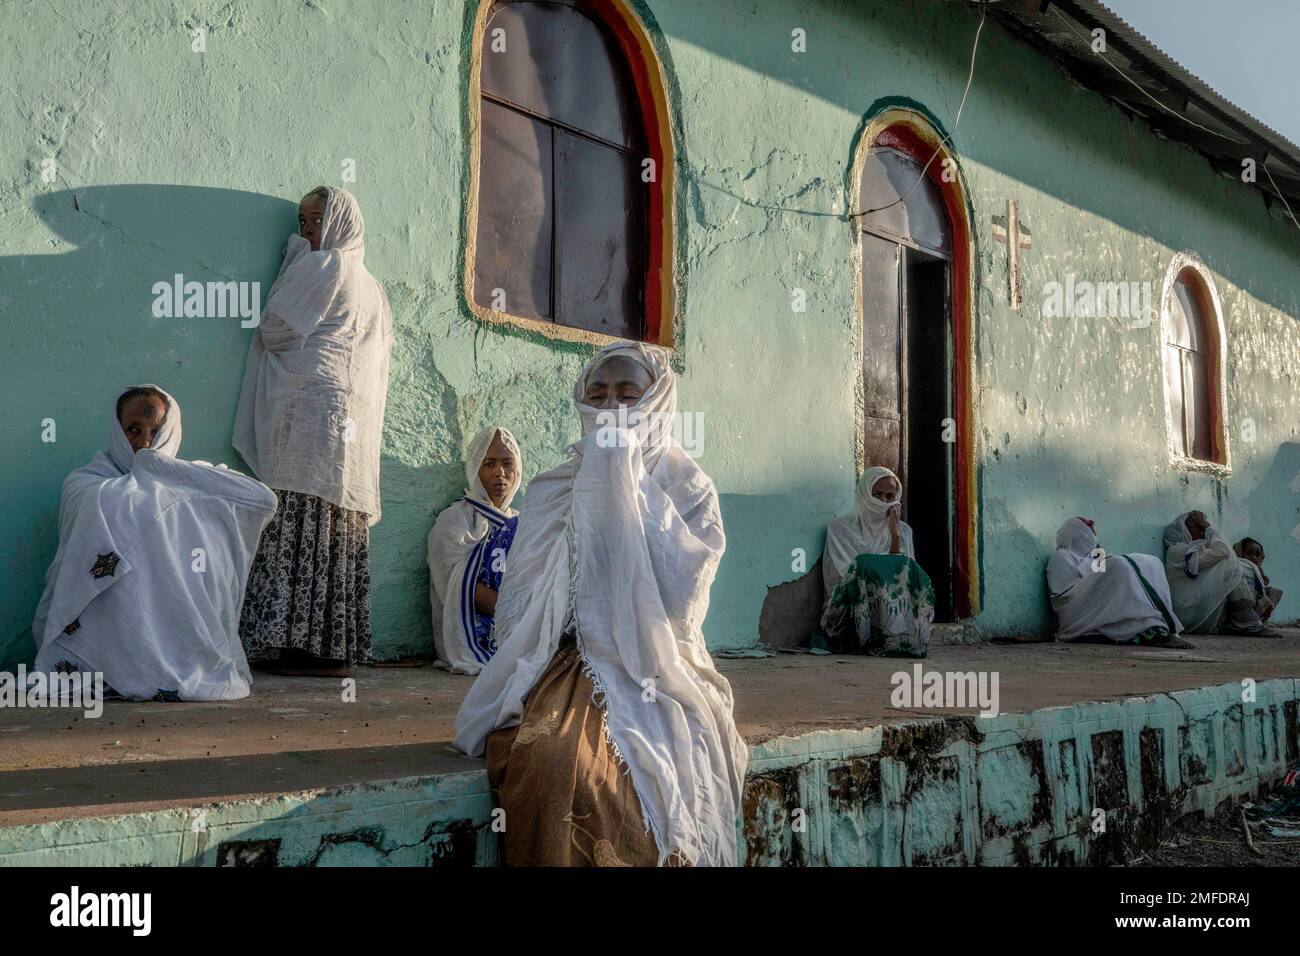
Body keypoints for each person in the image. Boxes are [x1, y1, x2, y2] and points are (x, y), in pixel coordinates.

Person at [453, 342, 747, 867]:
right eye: (598, 394)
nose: (610, 407)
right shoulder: (553, 488)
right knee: (554, 762)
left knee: (650, 772)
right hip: (562, 659)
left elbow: (682, 607)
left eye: (628, 395)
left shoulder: (688, 489)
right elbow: (519, 609)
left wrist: (624, 486)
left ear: (656, 402)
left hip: (657, 661)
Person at [234, 186, 394, 677]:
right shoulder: (375, 288)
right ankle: (330, 648)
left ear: (340, 222)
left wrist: (293, 260)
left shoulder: (325, 266)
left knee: (294, 513)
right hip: (353, 426)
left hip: (309, 414)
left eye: (315, 221)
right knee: (334, 521)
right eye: (302, 222)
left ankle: (284, 644)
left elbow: (275, 330)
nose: (306, 231)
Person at [32, 385, 277, 701]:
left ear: (172, 430)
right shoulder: (86, 481)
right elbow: (107, 507)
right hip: (101, 632)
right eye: (133, 430)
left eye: (157, 431)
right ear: (117, 431)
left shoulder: (194, 480)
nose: (145, 442)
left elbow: (261, 500)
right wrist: (151, 476)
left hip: (180, 637)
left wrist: (157, 467)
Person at [427, 425, 523, 675]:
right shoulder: (455, 521)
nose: (500, 473)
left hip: (517, 623)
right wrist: (514, 616)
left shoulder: (524, 524)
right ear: (474, 469)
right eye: (489, 464)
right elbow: (455, 585)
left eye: (507, 464)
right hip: (474, 630)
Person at [819, 466, 934, 657]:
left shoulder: (904, 531)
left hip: (890, 610)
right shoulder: (840, 529)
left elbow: (904, 579)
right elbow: (843, 578)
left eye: (889, 496)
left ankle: (895, 638)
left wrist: (895, 535)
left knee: (908, 568)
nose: (883, 502)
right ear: (864, 493)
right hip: (852, 606)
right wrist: (874, 575)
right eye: (877, 494)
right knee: (863, 564)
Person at [1046, 516, 1188, 647]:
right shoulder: (1062, 557)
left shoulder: (1095, 556)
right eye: (1089, 532)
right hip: (1078, 614)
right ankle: (1148, 627)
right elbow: (1063, 598)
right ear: (1076, 533)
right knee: (1118, 565)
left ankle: (1153, 623)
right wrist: (1102, 571)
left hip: (1098, 603)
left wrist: (1102, 563)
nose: (1093, 536)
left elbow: (1101, 575)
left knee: (1152, 563)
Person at [1163, 511, 1278, 636]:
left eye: (1203, 528)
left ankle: (1241, 622)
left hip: (1203, 614)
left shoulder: (1194, 550)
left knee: (1238, 568)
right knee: (1237, 566)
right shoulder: (1181, 552)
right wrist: (1207, 526)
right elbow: (1224, 551)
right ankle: (1248, 623)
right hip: (1190, 617)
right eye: (1198, 527)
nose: (1203, 533)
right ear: (1184, 530)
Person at [1234, 536, 1284, 625]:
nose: (1254, 557)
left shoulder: (1258, 573)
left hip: (1251, 611)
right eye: (1249, 553)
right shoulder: (1236, 570)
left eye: (1257, 555)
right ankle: (1250, 623)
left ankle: (1258, 621)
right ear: (1240, 553)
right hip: (1235, 612)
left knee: (1272, 592)